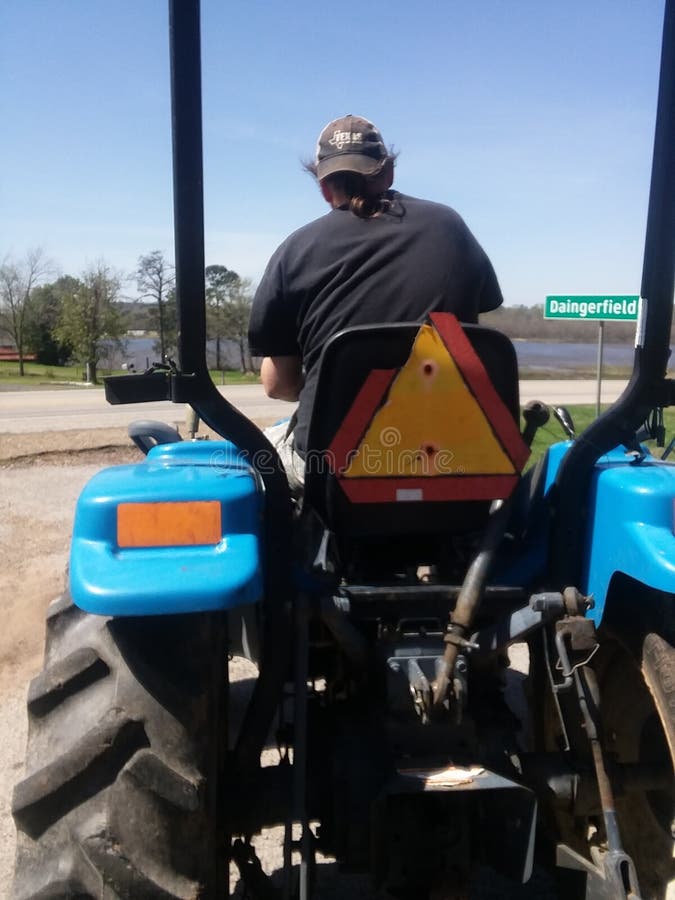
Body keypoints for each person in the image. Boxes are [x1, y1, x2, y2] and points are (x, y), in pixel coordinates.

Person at [248, 114, 504, 491]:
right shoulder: (450, 226)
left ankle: (292, 546)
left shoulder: (295, 251)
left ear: (323, 186)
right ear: (388, 174)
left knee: (253, 456)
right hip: (453, 460)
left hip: (338, 474)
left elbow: (278, 385)